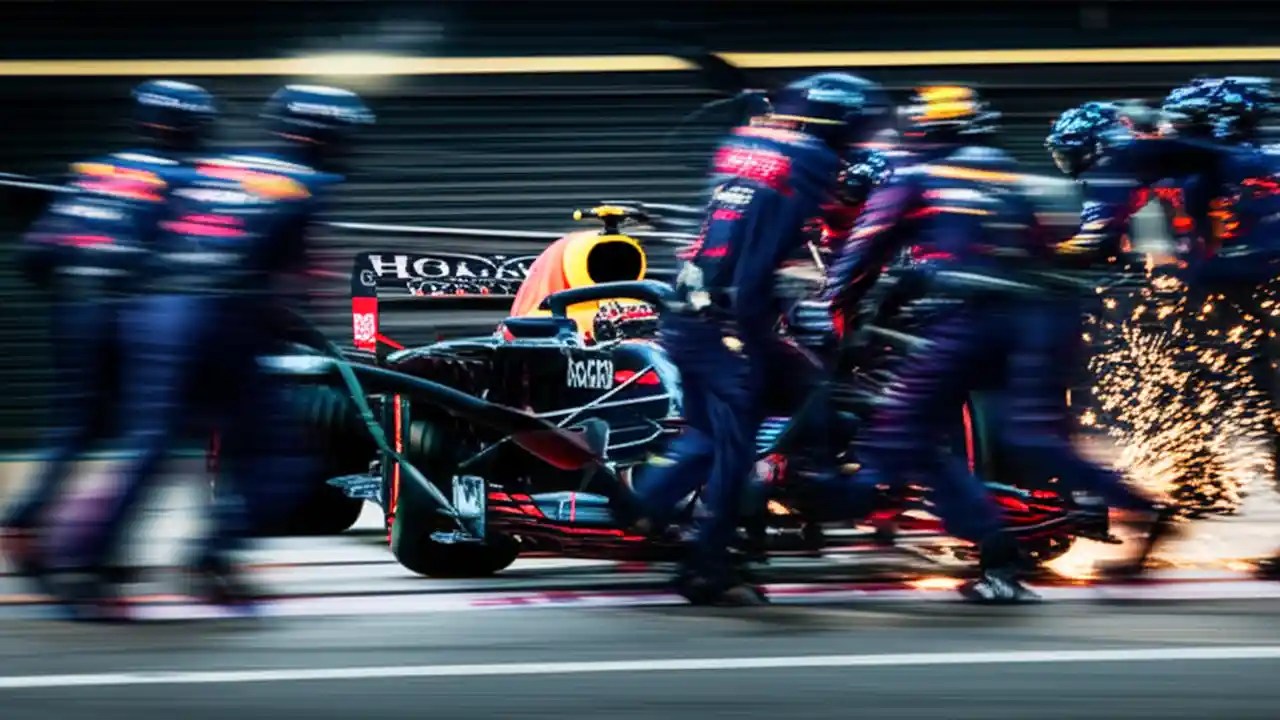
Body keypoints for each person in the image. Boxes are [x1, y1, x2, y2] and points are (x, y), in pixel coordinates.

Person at [46, 85, 373, 617]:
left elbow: (149, 240)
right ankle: (214, 558)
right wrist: (295, 330)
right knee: (278, 453)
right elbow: (297, 279)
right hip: (222, 319)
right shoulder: (305, 184)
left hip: (152, 314)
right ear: (324, 134)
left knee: (150, 447)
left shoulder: (210, 169)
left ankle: (86, 568)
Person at [609, 72, 894, 606]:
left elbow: (737, 218)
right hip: (729, 321)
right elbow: (766, 242)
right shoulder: (815, 161)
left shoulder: (745, 143)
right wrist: (776, 311)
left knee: (717, 429)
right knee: (737, 444)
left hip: (688, 313)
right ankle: (708, 564)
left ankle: (650, 502)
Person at [800, 85, 1064, 602]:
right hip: (1016, 329)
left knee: (896, 433)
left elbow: (862, 266)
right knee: (924, 440)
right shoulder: (997, 174)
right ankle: (978, 541)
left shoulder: (909, 184)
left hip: (944, 333)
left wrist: (829, 316)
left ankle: (857, 503)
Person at [0, 80, 216, 588]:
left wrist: (71, 296)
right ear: (194, 128)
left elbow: (34, 255)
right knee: (155, 434)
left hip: (74, 308)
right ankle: (102, 549)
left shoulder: (96, 172)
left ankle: (26, 522)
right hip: (133, 315)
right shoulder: (184, 181)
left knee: (76, 427)